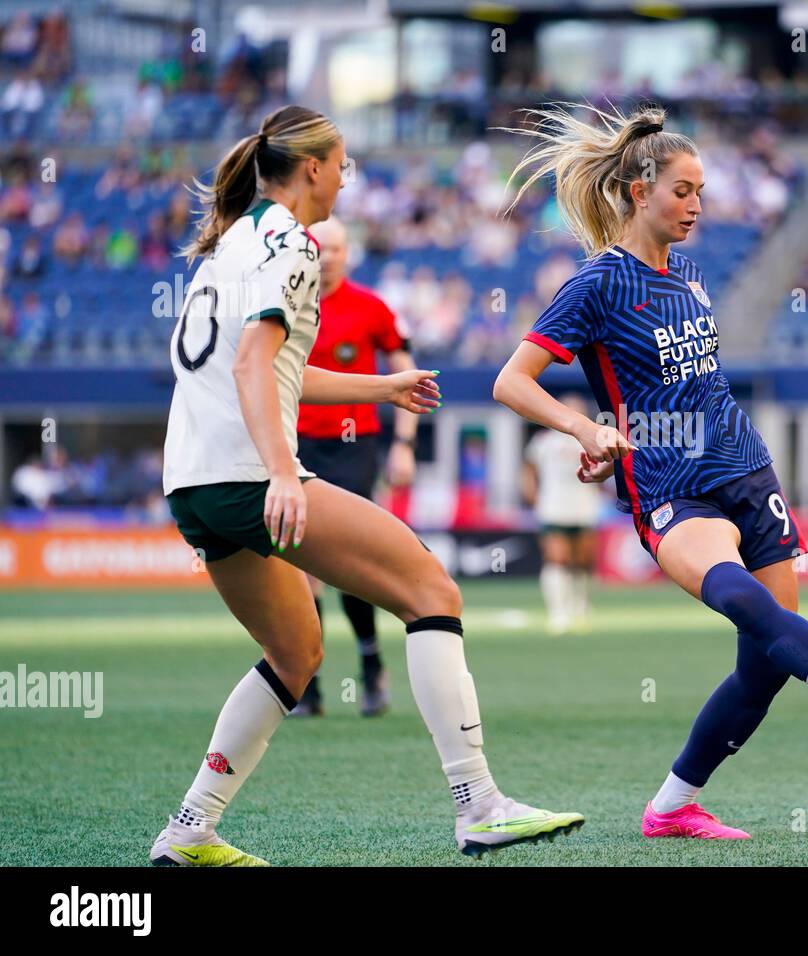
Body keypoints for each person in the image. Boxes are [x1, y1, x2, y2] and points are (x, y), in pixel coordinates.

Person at [152, 105, 583, 864]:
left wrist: (380, 390)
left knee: (296, 653)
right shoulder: (291, 242)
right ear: (313, 169)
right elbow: (255, 366)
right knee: (432, 592)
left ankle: (189, 830)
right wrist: (284, 472)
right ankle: (480, 805)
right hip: (251, 474)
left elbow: (273, 369)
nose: (347, 178)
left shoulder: (229, 245)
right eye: (342, 164)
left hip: (192, 483)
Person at [493, 103, 808, 841]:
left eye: (701, 191)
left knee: (766, 662)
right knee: (740, 598)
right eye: (682, 190)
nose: (696, 205)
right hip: (671, 486)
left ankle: (670, 806)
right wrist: (586, 427)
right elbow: (514, 380)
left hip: (747, 469)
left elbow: (681, 391)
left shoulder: (690, 277)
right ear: (639, 192)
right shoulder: (600, 283)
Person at [291, 216, 418, 718]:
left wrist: (403, 443)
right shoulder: (287, 304)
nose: (326, 258)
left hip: (356, 445)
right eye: (318, 249)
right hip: (296, 445)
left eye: (335, 249)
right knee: (301, 567)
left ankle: (370, 665)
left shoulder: (371, 308)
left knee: (348, 563)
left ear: (347, 253)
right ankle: (307, 681)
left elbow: (403, 364)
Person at [522, 393, 604, 634]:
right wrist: (534, 496)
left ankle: (580, 607)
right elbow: (528, 470)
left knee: (582, 561)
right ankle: (558, 612)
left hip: (584, 508)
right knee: (557, 558)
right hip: (554, 508)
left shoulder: (593, 439)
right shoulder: (544, 441)